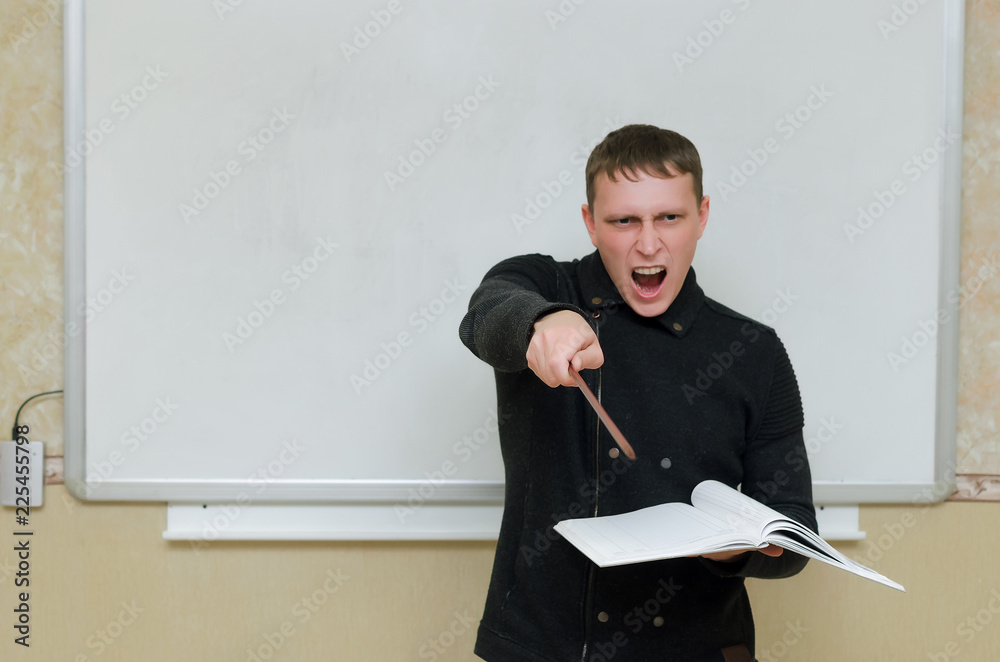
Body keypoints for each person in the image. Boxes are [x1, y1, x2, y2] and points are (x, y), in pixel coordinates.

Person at [458, 124, 817, 662]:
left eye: (668, 217)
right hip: (542, 646)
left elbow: (794, 534)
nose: (648, 244)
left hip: (700, 647)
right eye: (623, 220)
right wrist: (544, 321)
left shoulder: (753, 350)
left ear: (702, 216)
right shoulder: (542, 288)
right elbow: (487, 310)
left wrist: (737, 545)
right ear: (590, 224)